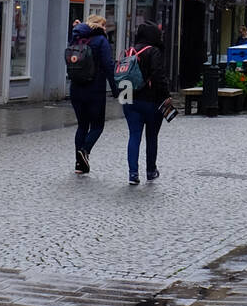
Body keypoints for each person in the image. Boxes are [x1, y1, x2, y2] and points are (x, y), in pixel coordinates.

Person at [67, 15, 118, 175]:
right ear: (99, 26)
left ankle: (79, 165)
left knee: (82, 125)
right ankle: (84, 150)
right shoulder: (101, 41)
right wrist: (116, 89)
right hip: (94, 89)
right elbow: (109, 66)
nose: (105, 28)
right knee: (97, 126)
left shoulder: (76, 39)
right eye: (104, 25)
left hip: (76, 88)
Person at [123, 22, 171, 186]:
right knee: (152, 137)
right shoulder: (154, 51)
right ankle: (151, 171)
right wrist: (166, 96)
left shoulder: (130, 50)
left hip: (130, 99)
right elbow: (159, 76)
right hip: (151, 101)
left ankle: (133, 173)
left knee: (134, 136)